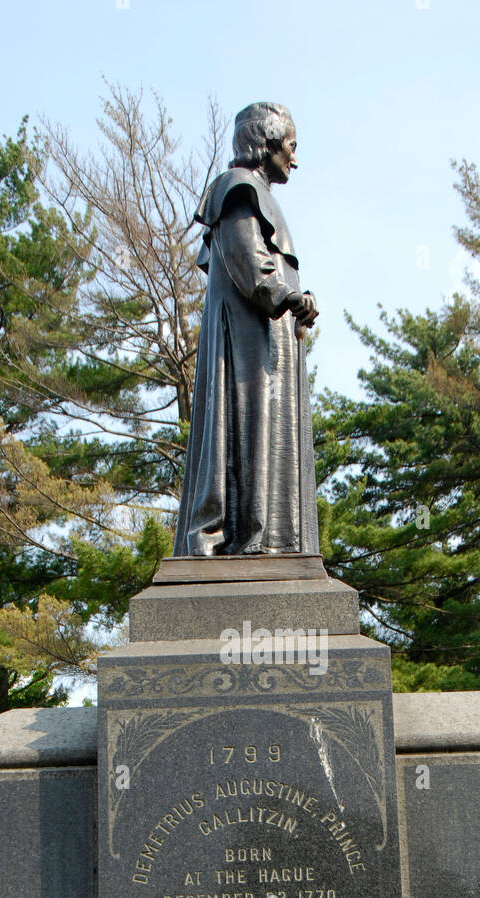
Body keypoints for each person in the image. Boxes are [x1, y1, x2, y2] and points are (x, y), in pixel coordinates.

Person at [173, 102, 320, 557]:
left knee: (271, 436)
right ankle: (247, 536)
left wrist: (295, 299)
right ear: (268, 143)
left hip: (267, 343)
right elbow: (250, 263)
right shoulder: (238, 190)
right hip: (249, 348)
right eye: (291, 147)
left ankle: (271, 537)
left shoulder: (255, 192)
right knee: (251, 428)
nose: (295, 159)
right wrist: (288, 296)